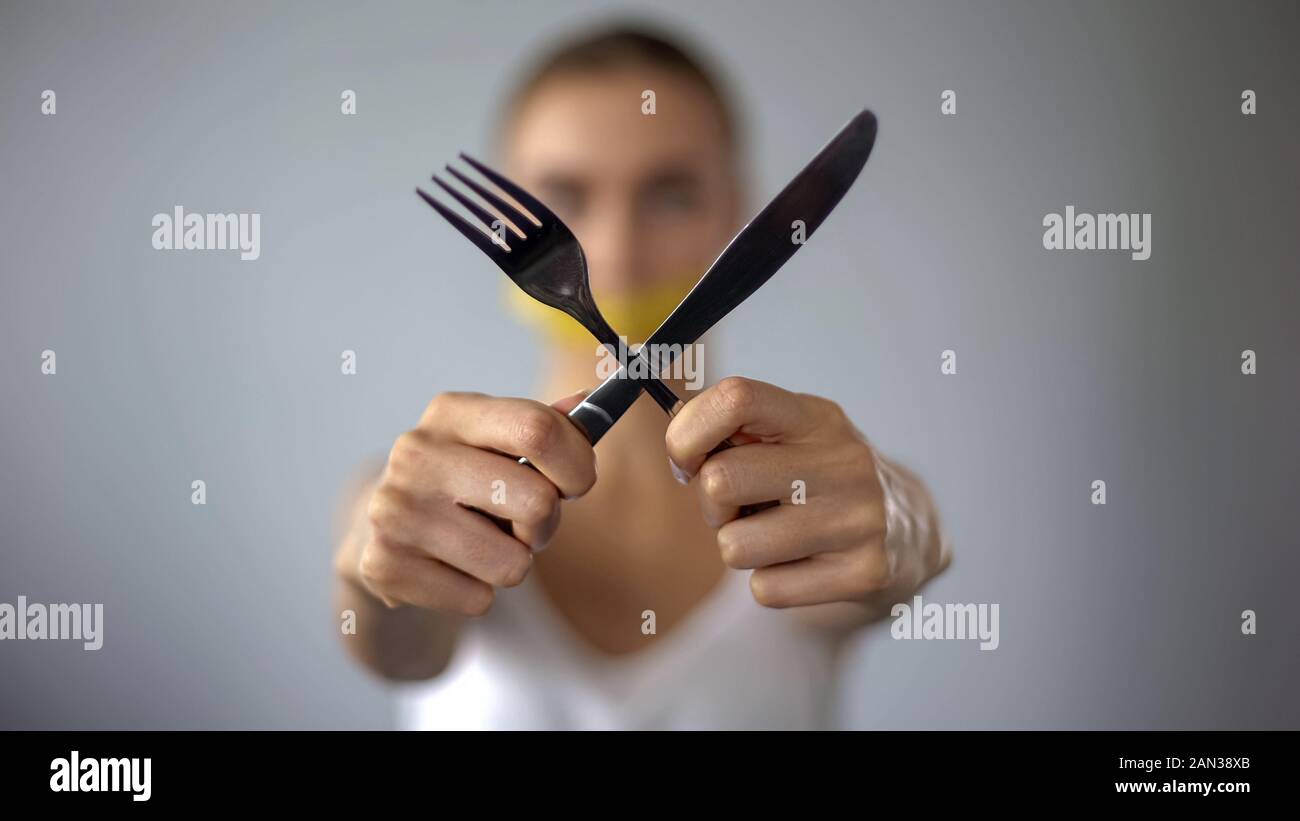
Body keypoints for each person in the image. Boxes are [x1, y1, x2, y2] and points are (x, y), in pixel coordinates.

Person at [332, 23, 952, 729]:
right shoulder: (423, 499)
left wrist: (910, 520)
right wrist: (373, 571)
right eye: (565, 197)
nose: (617, 252)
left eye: (670, 195)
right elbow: (398, 648)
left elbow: (902, 544)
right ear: (502, 229)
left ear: (734, 211)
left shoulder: (809, 510)